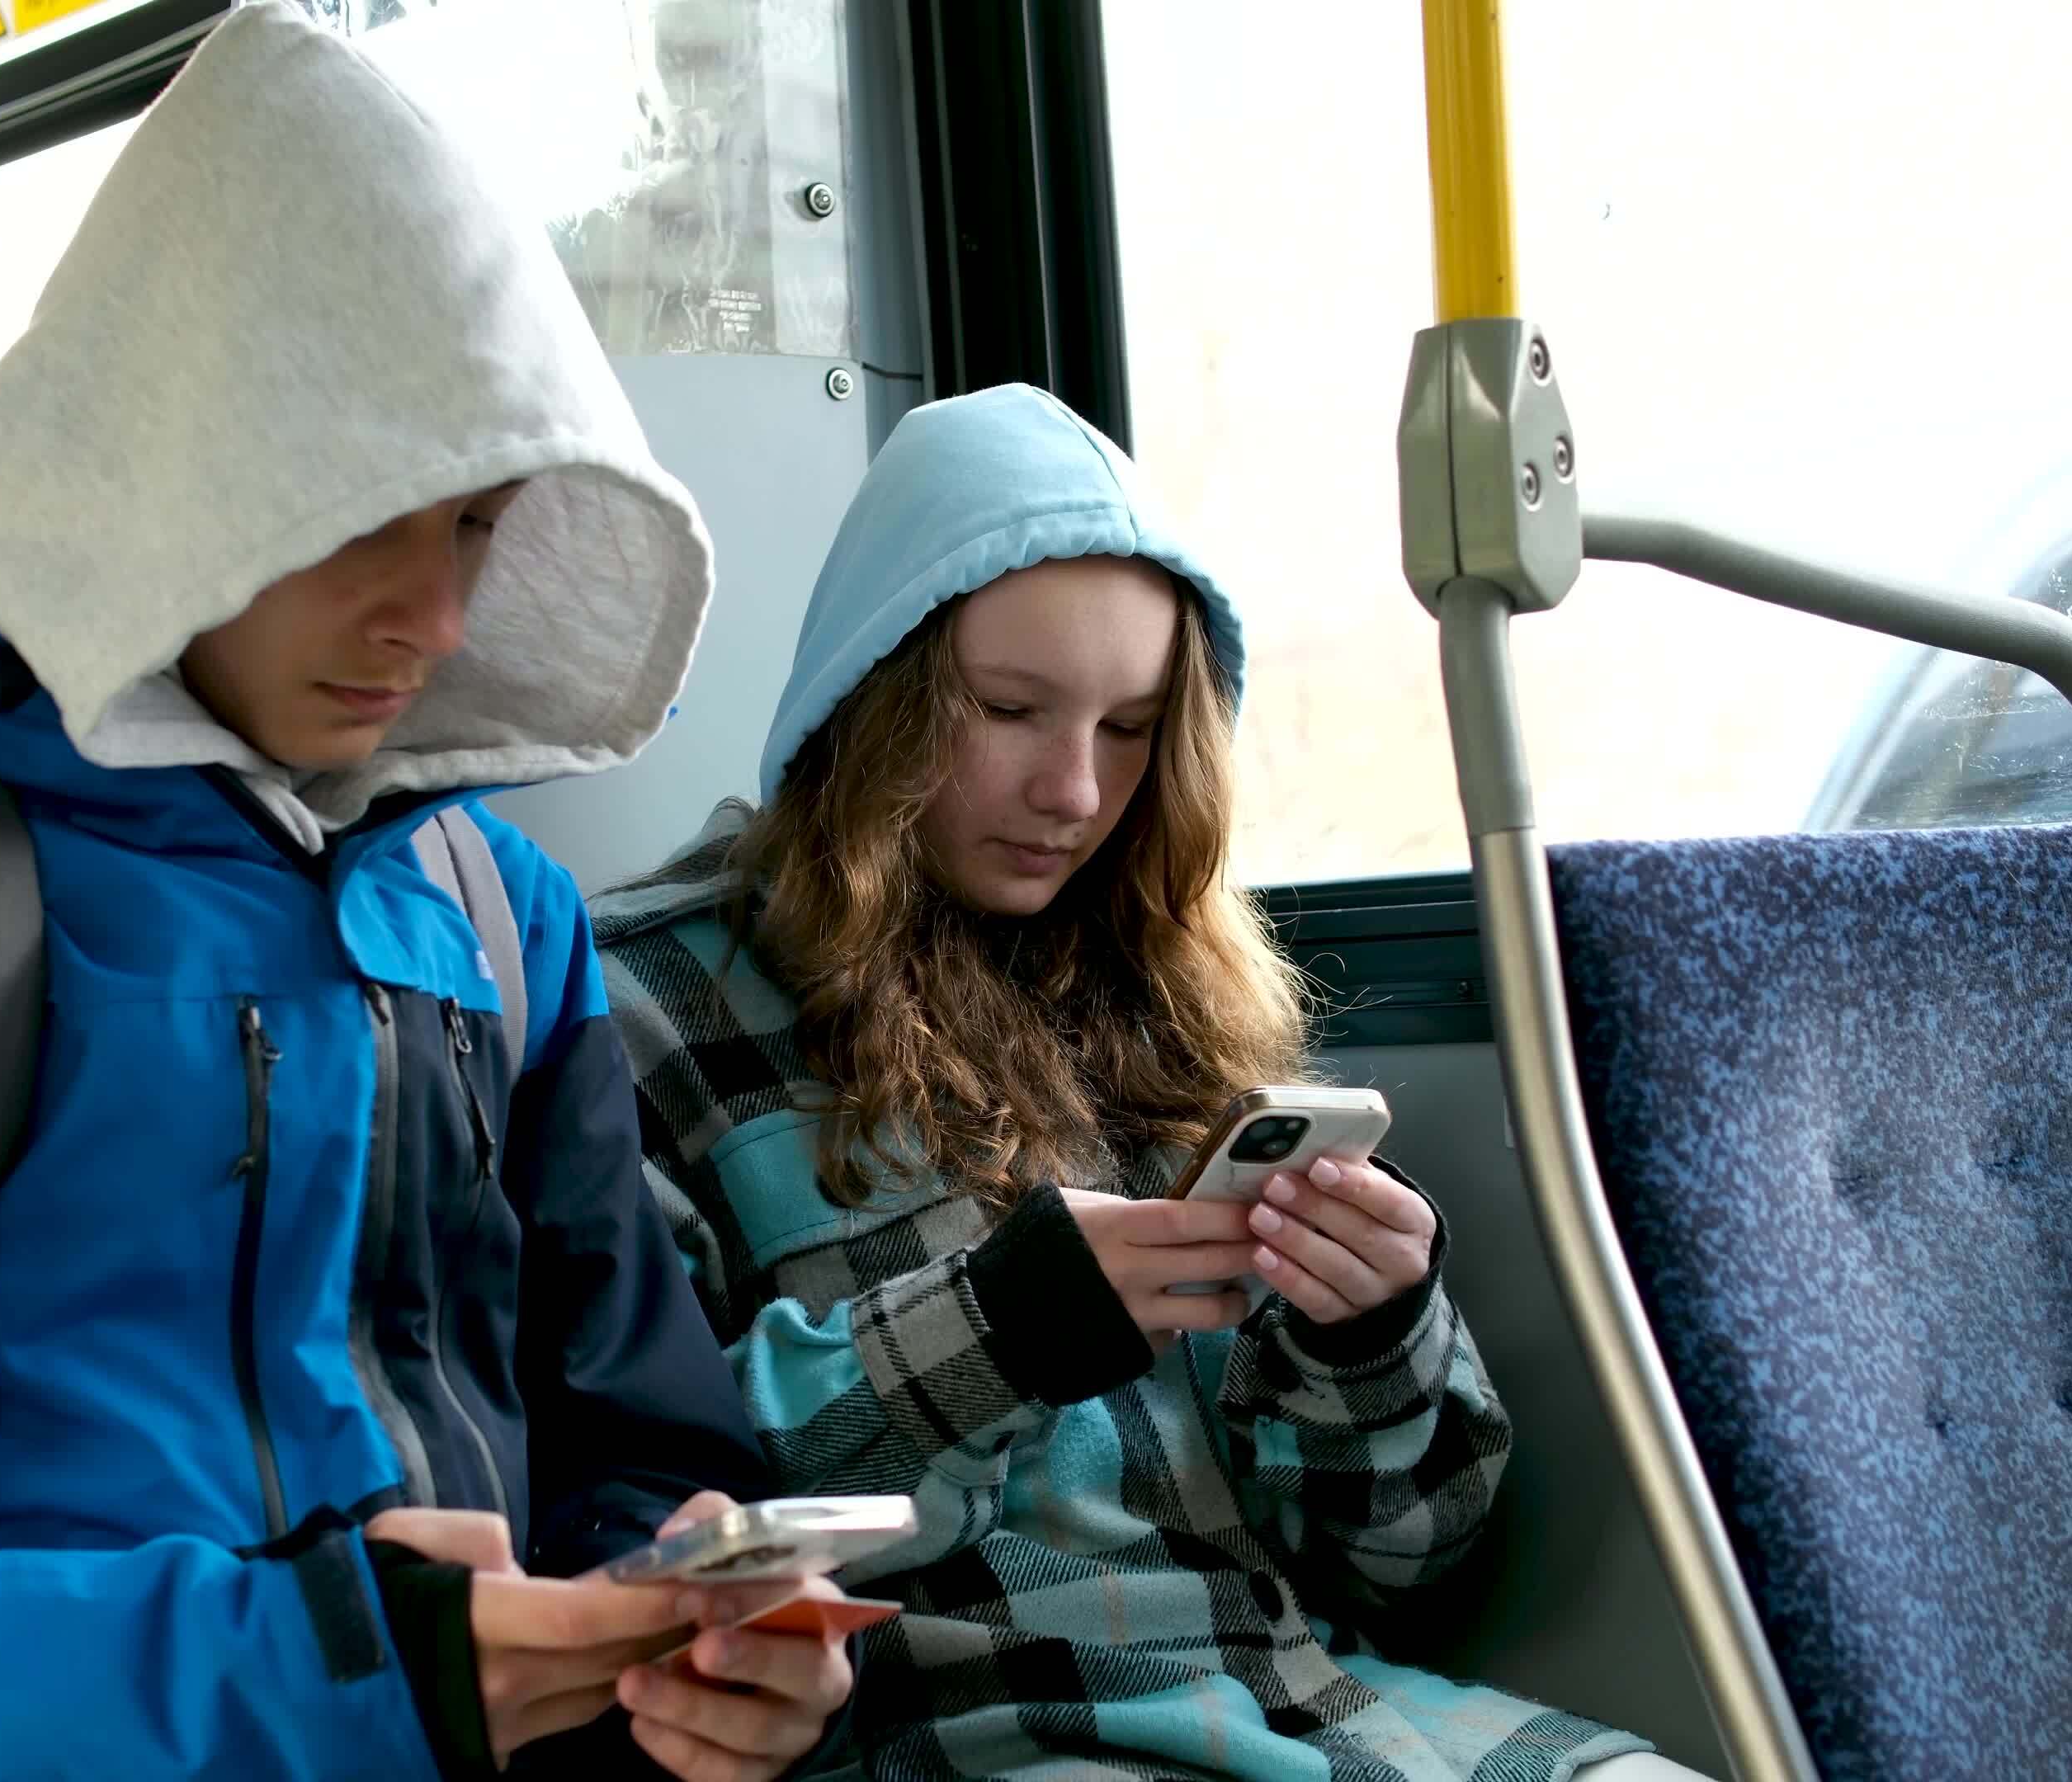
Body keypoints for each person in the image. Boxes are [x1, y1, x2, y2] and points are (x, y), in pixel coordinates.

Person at [0, 9, 849, 1777]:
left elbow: (634, 1452)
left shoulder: (496, 921)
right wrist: (329, 1677)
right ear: (188, 470)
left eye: (479, 528)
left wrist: (697, 1656)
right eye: (364, 515)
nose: (432, 623)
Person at [590, 384, 1681, 1780]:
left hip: (1335, 1711)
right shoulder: (642, 1009)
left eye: (1131, 728)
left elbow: (1411, 1569)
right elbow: (658, 1522)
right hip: (995, 1735)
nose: (1076, 792)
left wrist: (1374, 1340)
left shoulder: (1170, 993)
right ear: (869, 699)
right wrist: (1005, 1330)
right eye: (1008, 710)